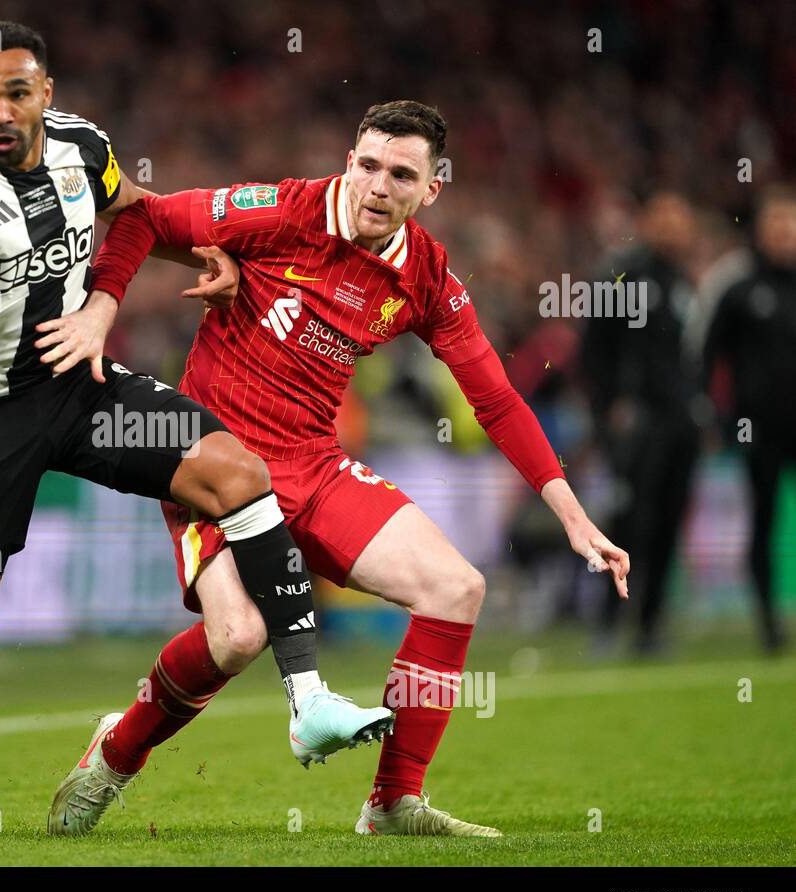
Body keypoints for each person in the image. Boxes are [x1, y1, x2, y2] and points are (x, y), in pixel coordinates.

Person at [0, 21, 389, 838]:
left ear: (46, 93)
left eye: (18, 91)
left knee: (239, 473)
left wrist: (206, 253)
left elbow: (135, 212)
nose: (2, 111)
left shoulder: (83, 147)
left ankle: (307, 698)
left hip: (78, 382)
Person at [43, 100, 630, 837]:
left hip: (312, 463)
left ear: (430, 191)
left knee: (455, 588)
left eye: (402, 175)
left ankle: (392, 803)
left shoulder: (425, 274)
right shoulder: (283, 211)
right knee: (239, 638)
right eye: (369, 166)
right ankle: (117, 754)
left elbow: (497, 400)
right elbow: (146, 217)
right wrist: (104, 309)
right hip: (212, 459)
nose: (379, 186)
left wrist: (573, 515)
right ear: (349, 162)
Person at [579, 192, 701, 656]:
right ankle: (608, 624)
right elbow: (593, 350)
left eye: (680, 218)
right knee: (629, 522)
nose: (673, 227)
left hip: (679, 423)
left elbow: (695, 357)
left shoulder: (685, 281)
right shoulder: (621, 273)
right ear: (647, 221)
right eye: (664, 216)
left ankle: (651, 627)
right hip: (636, 424)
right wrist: (611, 407)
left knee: (670, 522)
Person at [701, 185, 796, 654]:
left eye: (789, 223)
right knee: (764, 521)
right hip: (759, 429)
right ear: (761, 230)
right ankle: (770, 628)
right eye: (775, 223)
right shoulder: (738, 289)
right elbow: (706, 356)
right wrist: (713, 416)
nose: (783, 232)